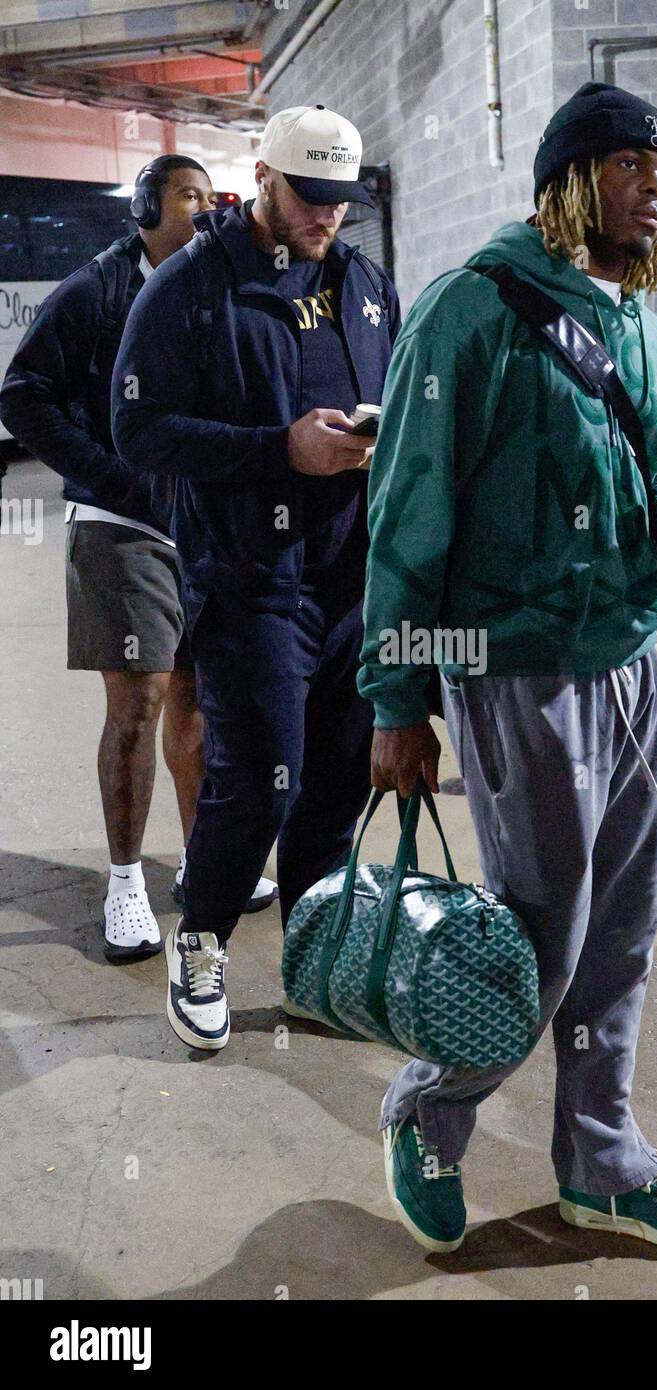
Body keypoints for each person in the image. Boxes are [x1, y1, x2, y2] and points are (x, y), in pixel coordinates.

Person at [359, 82, 657, 1254]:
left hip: (627, 658)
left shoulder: (641, 328)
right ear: (570, 177)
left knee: (620, 930)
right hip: (515, 669)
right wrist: (397, 698)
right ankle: (429, 1108)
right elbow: (406, 511)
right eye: (632, 167)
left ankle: (601, 1161)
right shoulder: (467, 313)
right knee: (539, 934)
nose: (653, 191)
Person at [111, 106, 401, 1050]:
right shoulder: (191, 289)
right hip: (249, 578)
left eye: (340, 204)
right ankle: (199, 940)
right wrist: (280, 451)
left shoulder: (364, 285)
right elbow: (141, 432)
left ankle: (315, 966)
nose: (326, 220)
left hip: (352, 577)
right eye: (309, 200)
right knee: (256, 783)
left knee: (333, 782)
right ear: (264, 181)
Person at [0, 157, 277, 960]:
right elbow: (22, 395)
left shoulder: (209, 284)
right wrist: (112, 476)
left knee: (193, 700)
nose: (204, 207)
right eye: (188, 194)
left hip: (201, 522)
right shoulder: (94, 289)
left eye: (208, 195)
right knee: (138, 705)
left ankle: (200, 864)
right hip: (120, 523)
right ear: (149, 207)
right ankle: (125, 886)